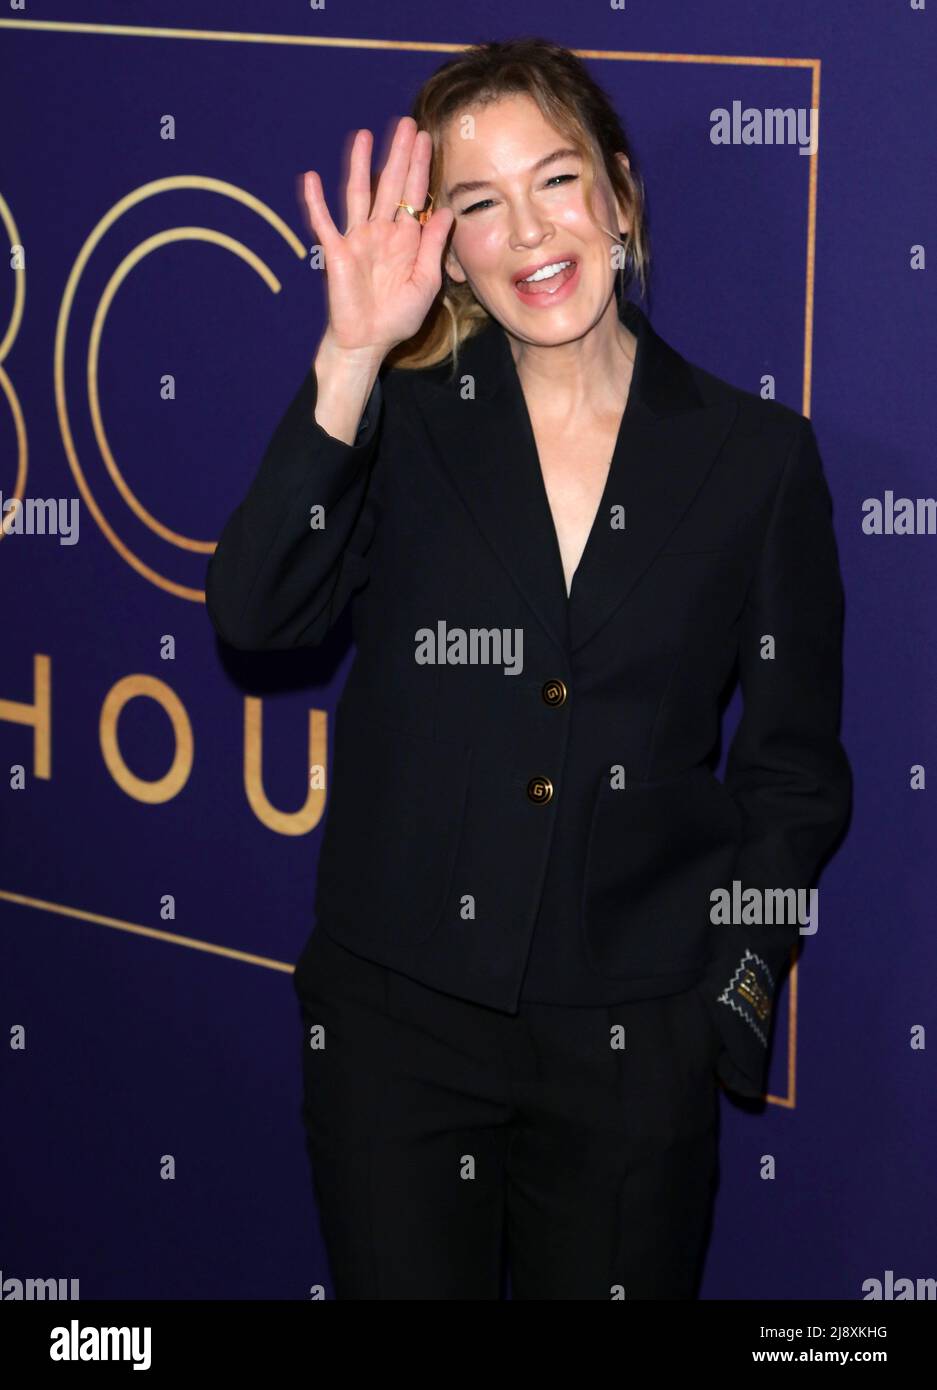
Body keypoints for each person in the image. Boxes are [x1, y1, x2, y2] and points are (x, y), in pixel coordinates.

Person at [205, 39, 852, 1299]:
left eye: (556, 181)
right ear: (444, 246)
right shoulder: (403, 413)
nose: (530, 234)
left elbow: (792, 774)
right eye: (478, 203)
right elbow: (255, 611)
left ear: (618, 193)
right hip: (397, 1029)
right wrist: (348, 357)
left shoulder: (755, 456)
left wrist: (728, 989)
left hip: (630, 1046)